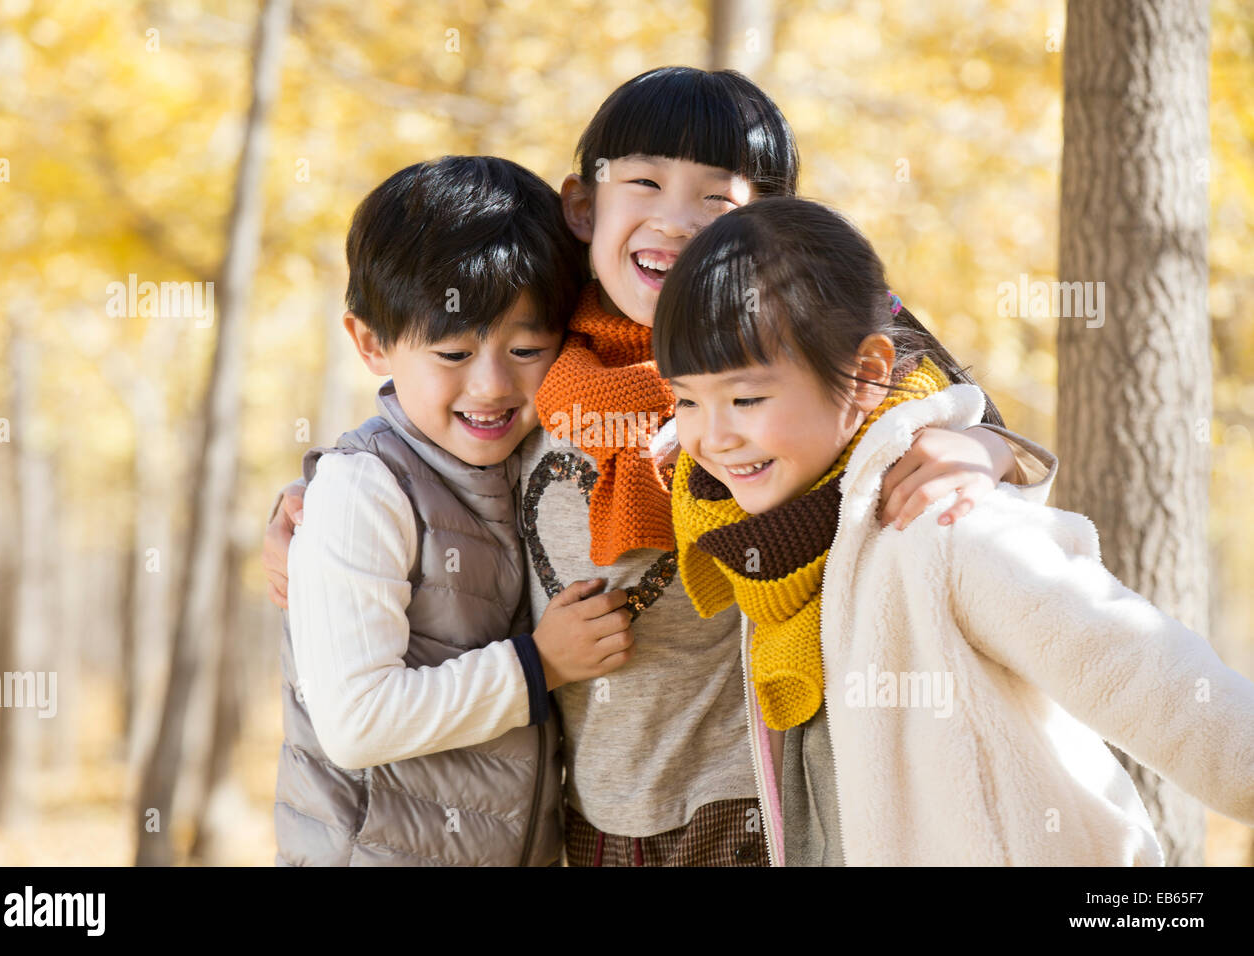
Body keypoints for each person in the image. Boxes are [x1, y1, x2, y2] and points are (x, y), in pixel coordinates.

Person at [266, 67, 1057, 866]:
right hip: (587, 813)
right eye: (644, 183)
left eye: (718, 199)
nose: (676, 222)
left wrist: (985, 443)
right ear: (583, 207)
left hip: (749, 793)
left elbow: (909, 367)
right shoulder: (547, 333)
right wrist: (316, 502)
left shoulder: (776, 362)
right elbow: (431, 418)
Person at [658, 196, 1254, 865]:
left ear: (868, 376)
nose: (711, 435)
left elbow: (1153, 679)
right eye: (685, 399)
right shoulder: (765, 549)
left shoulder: (945, 525)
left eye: (745, 399)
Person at [275, 155, 635, 866]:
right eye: (452, 351)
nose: (493, 384)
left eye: (527, 347)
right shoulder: (366, 489)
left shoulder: (521, 462)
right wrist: (540, 667)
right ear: (372, 343)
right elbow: (354, 721)